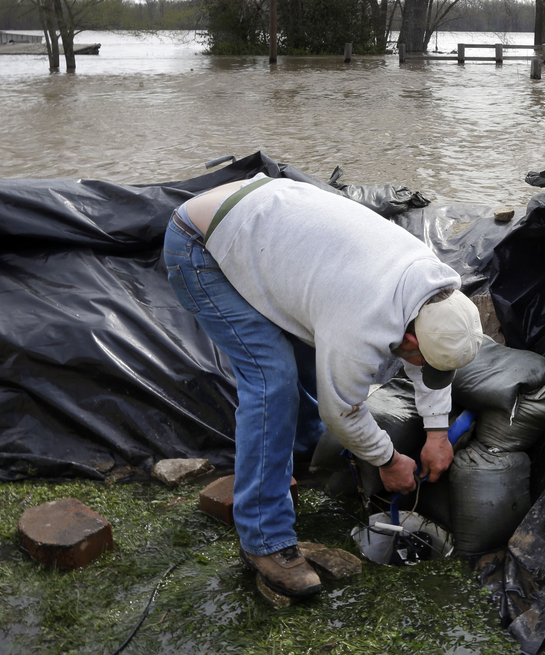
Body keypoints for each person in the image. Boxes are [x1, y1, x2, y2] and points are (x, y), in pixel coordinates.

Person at [162, 173, 484, 597]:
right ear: (408, 337)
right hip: (200, 240)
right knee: (271, 380)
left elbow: (427, 366)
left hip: (271, 224)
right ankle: (265, 540)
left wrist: (437, 431)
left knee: (313, 358)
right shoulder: (363, 319)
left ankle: (296, 457)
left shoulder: (435, 288)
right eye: (419, 357)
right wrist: (387, 460)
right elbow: (343, 408)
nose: (421, 367)